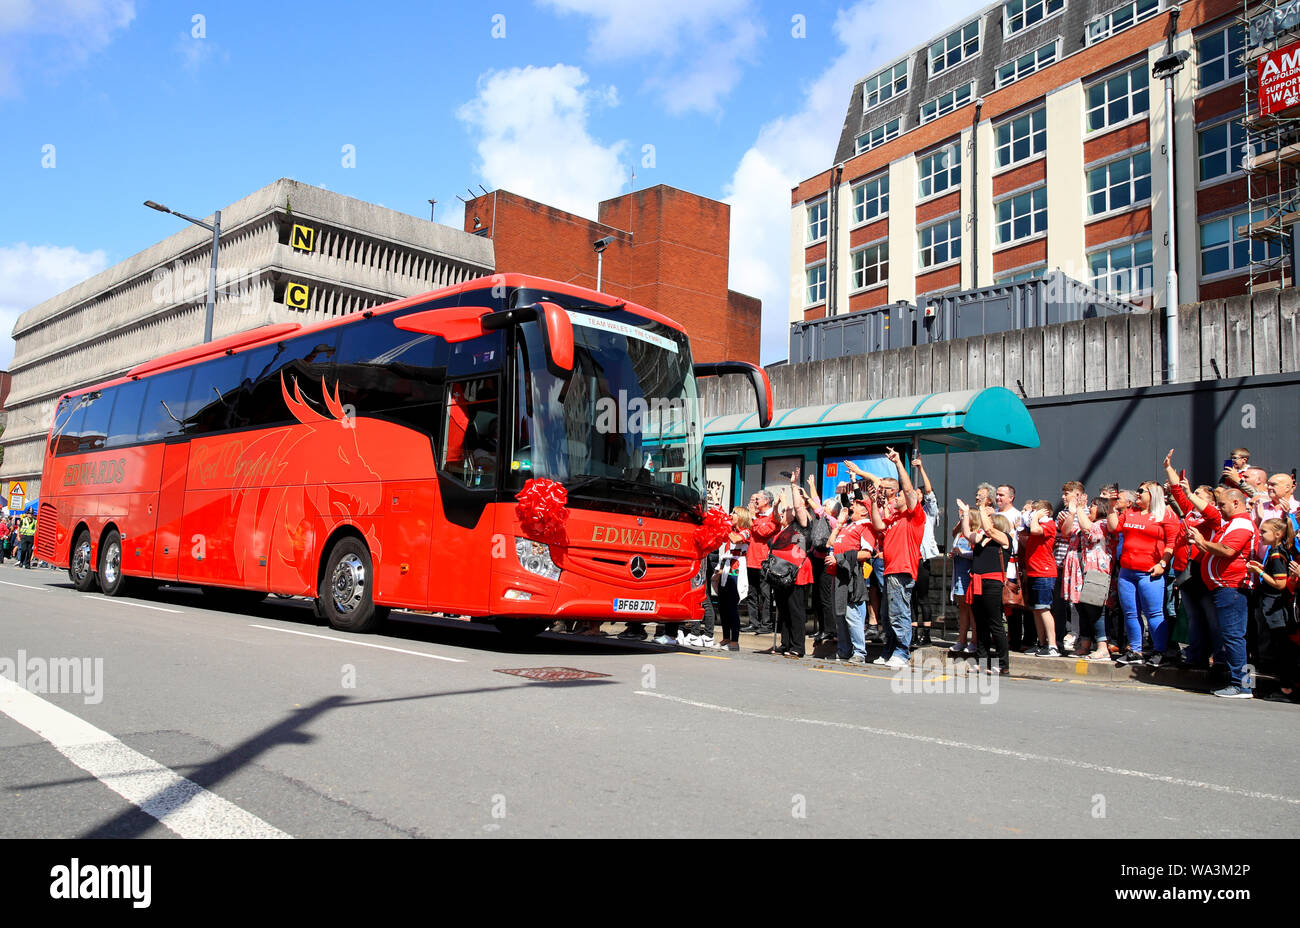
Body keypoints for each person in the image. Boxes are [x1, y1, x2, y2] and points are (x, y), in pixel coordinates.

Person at [1188, 486, 1258, 698]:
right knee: (1235, 637)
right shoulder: (1233, 523)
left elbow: (1228, 550)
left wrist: (1202, 542)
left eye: (1222, 505)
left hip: (1232, 587)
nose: (1219, 508)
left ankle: (1243, 685)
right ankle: (1244, 684)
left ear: (1236, 503)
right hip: (1225, 587)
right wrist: (1203, 544)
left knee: (1234, 636)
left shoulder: (1242, 523)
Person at [870, 447, 926, 668]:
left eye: (899, 495)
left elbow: (910, 490)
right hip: (889, 569)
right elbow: (877, 525)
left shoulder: (914, 516)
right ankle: (890, 650)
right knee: (887, 615)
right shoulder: (894, 517)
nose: (896, 497)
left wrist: (898, 464)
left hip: (902, 569)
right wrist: (875, 502)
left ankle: (902, 653)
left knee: (899, 613)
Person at [1109, 481, 1173, 665]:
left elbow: (1172, 542)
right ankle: (1135, 650)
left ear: (1153, 494)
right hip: (1127, 572)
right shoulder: (1131, 512)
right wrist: (1113, 507)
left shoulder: (1165, 514)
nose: (1137, 494)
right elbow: (1115, 527)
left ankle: (1159, 650)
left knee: (1154, 613)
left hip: (1150, 572)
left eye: (1141, 491)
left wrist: (1163, 563)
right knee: (1130, 613)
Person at [957, 498, 1012, 675]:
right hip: (977, 582)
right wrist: (966, 513)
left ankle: (1002, 664)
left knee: (995, 623)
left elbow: (988, 528)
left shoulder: (1004, 538)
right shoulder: (982, 539)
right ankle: (982, 661)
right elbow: (966, 533)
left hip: (993, 583)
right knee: (980, 624)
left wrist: (981, 508)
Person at [1246, 518, 1297, 701]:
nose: (1261, 535)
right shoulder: (1276, 551)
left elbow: (1280, 583)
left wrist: (1259, 573)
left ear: (1277, 534)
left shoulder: (1276, 553)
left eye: (1264, 532)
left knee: (1279, 648)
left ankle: (1285, 688)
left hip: (1274, 608)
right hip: (1273, 607)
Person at [764, 470, 812, 659]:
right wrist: (780, 503)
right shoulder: (783, 528)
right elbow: (776, 514)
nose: (787, 510)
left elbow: (798, 509)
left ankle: (798, 647)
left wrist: (794, 485)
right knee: (783, 610)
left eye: (789, 510)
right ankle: (786, 643)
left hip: (796, 573)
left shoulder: (802, 525)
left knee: (795, 610)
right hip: (779, 573)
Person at [1064, 495, 1113, 661]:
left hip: (1098, 571)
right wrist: (1073, 512)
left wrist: (1078, 508)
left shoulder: (1104, 524)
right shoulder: (1090, 521)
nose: (1089, 509)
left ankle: (1102, 647)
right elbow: (1068, 531)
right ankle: (1085, 644)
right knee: (1083, 607)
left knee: (1096, 608)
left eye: (1092, 506)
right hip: (1086, 570)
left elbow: (1090, 532)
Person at [827, 492, 873, 663]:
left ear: (865, 511)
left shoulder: (865, 526)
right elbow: (830, 543)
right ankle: (844, 650)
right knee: (839, 615)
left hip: (851, 575)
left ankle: (859, 652)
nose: (852, 505)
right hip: (837, 574)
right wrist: (838, 524)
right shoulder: (847, 526)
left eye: (857, 504)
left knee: (852, 615)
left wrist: (840, 558)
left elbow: (866, 553)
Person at [1022, 498, 1060, 656]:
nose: (1033, 514)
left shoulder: (1049, 524)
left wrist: (1036, 517)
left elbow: (1035, 530)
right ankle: (1042, 643)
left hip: (1044, 572)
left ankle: (1052, 645)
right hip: (1033, 571)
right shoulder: (1035, 523)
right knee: (1036, 610)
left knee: (1044, 609)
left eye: (1037, 510)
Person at [713, 507, 753, 652]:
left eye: (734, 513)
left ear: (741, 516)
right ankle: (725, 638)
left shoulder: (747, 531)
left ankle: (735, 641)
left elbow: (736, 539)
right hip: (726, 570)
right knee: (722, 606)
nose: (731, 515)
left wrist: (726, 527)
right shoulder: (732, 529)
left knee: (732, 607)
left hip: (737, 572)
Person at [911, 454, 940, 648]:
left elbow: (929, 492)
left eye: (918, 494)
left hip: (923, 559)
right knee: (911, 597)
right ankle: (912, 633)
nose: (917, 495)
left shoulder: (928, 513)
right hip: (909, 558)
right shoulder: (909, 513)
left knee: (923, 598)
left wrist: (921, 468)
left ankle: (926, 634)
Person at [742, 490, 778, 635]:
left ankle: (766, 623)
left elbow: (763, 532)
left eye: (758, 499)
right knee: (752, 593)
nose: (755, 502)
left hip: (764, 561)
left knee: (765, 594)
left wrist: (752, 517)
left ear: (767, 501)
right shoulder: (755, 516)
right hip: (751, 559)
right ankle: (753, 622)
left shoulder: (773, 516)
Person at [947, 524, 976, 656]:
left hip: (969, 574)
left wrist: (962, 553)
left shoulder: (975, 534)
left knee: (972, 610)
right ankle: (962, 639)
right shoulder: (960, 534)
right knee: (963, 608)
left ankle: (974, 641)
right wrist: (953, 553)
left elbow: (977, 554)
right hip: (958, 574)